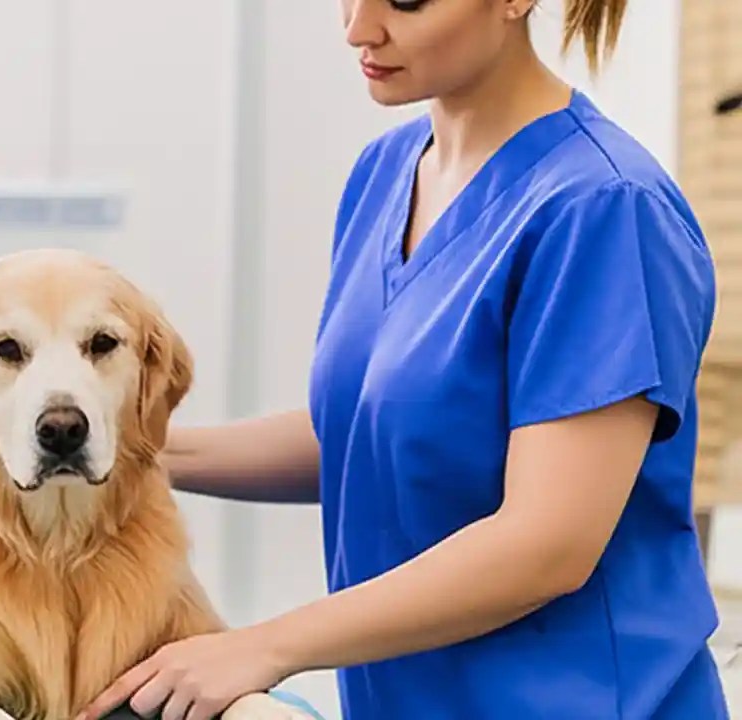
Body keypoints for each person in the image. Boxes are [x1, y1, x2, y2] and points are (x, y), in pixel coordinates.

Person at [77, 1, 731, 719]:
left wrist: (263, 646)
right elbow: (373, 437)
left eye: (406, 1)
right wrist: (117, 451)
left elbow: (548, 543)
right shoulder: (385, 173)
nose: (358, 28)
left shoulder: (605, 208)